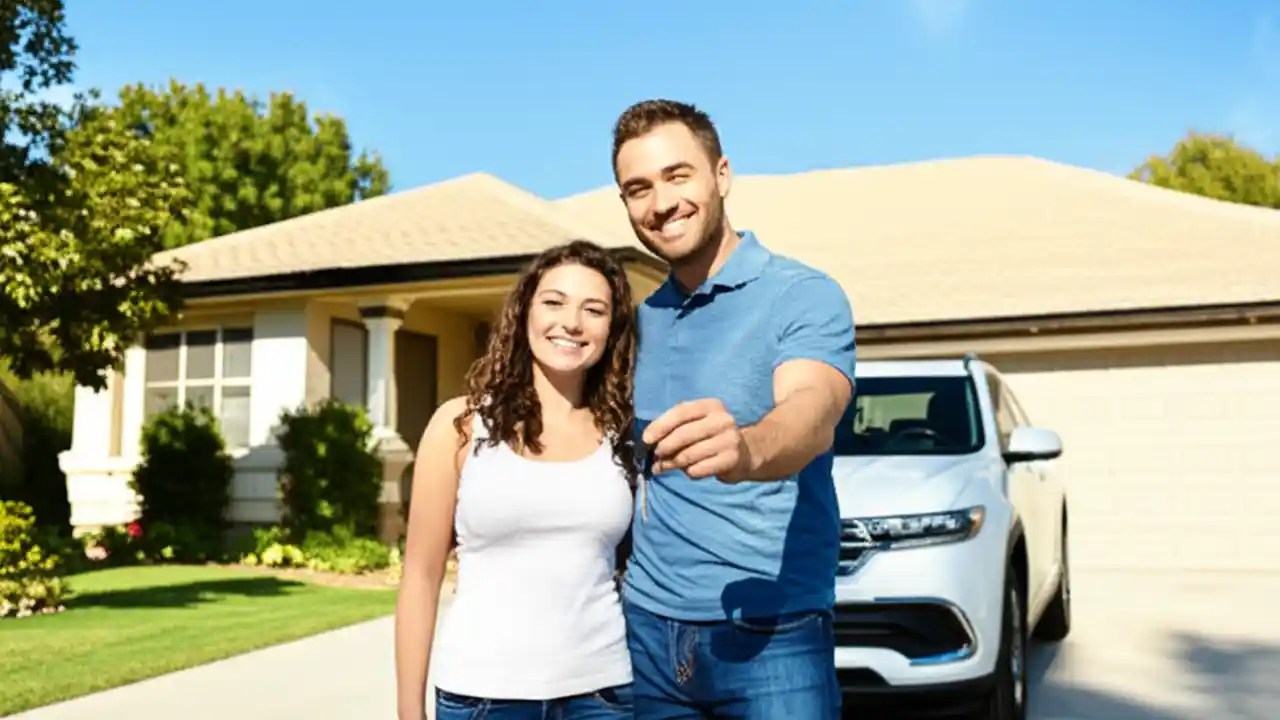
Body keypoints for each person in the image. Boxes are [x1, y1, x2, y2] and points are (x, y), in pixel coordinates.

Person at [610, 98, 857, 718]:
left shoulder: (801, 295)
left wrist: (747, 449)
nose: (660, 203)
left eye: (677, 175)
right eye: (637, 188)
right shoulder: (641, 322)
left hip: (773, 634)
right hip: (646, 633)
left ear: (721, 175)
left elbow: (813, 408)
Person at [394, 240, 640, 720]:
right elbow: (420, 578)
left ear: (612, 331)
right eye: (554, 302)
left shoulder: (624, 436)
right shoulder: (459, 427)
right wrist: (409, 709)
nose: (572, 322)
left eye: (594, 309)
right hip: (482, 696)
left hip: (605, 695)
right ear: (524, 312)